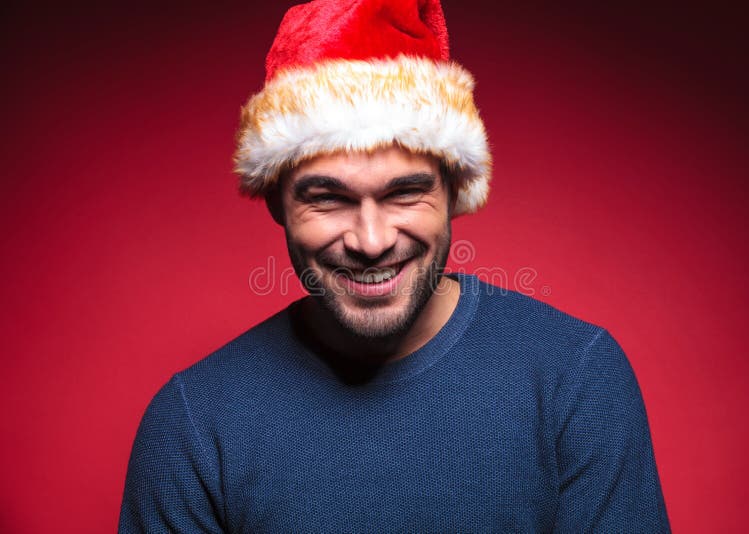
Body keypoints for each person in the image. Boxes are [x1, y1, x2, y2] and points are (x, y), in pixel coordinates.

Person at [119, 0, 670, 531]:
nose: (371, 240)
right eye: (327, 198)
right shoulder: (194, 425)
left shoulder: (575, 380)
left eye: (405, 193)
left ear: (455, 190)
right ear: (275, 203)